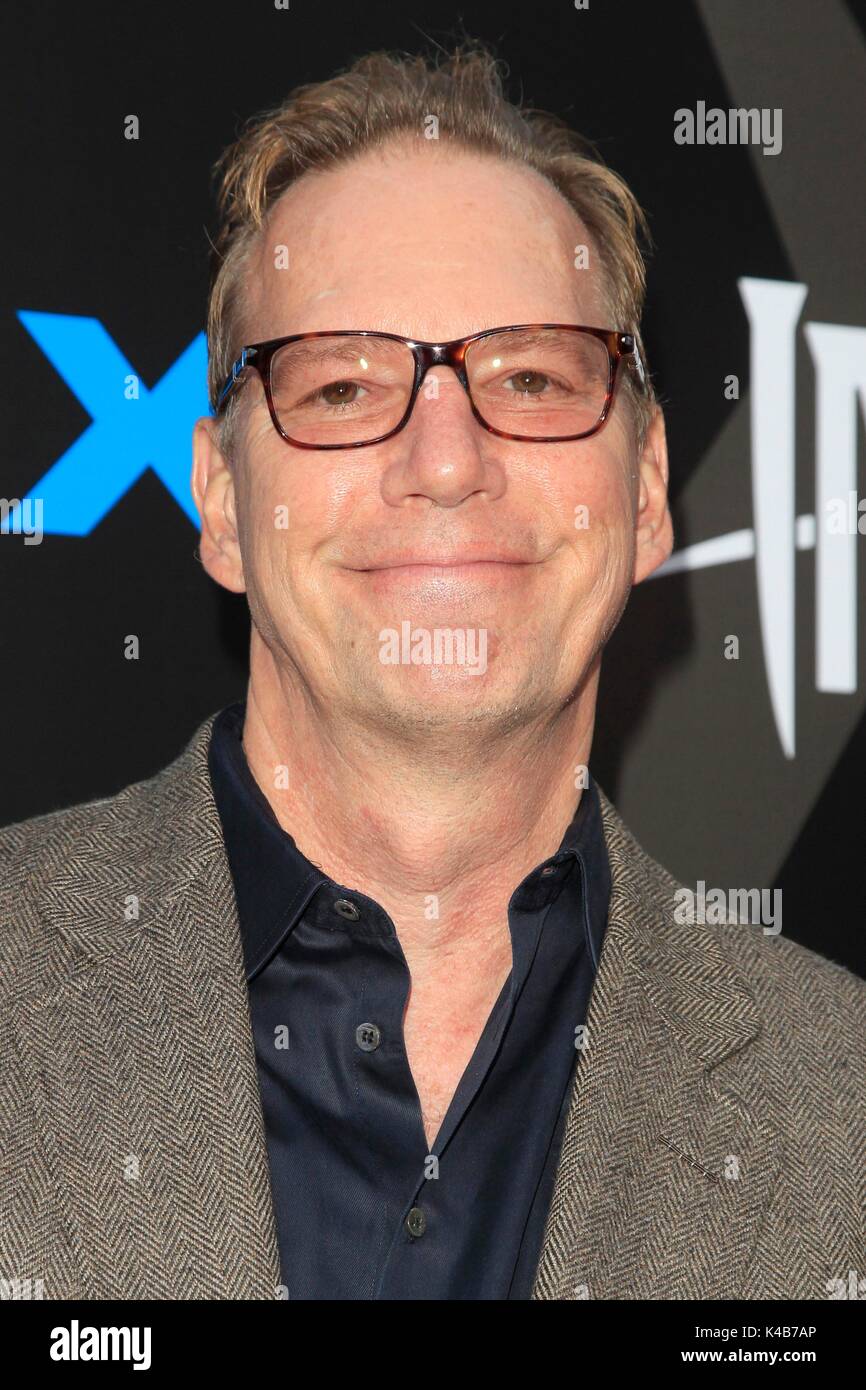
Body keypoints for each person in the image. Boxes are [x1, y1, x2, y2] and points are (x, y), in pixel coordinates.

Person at [1, 42, 863, 1302]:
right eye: (344, 386)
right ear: (223, 502)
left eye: (531, 376)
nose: (446, 458)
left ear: (641, 492)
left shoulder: (838, 1102)